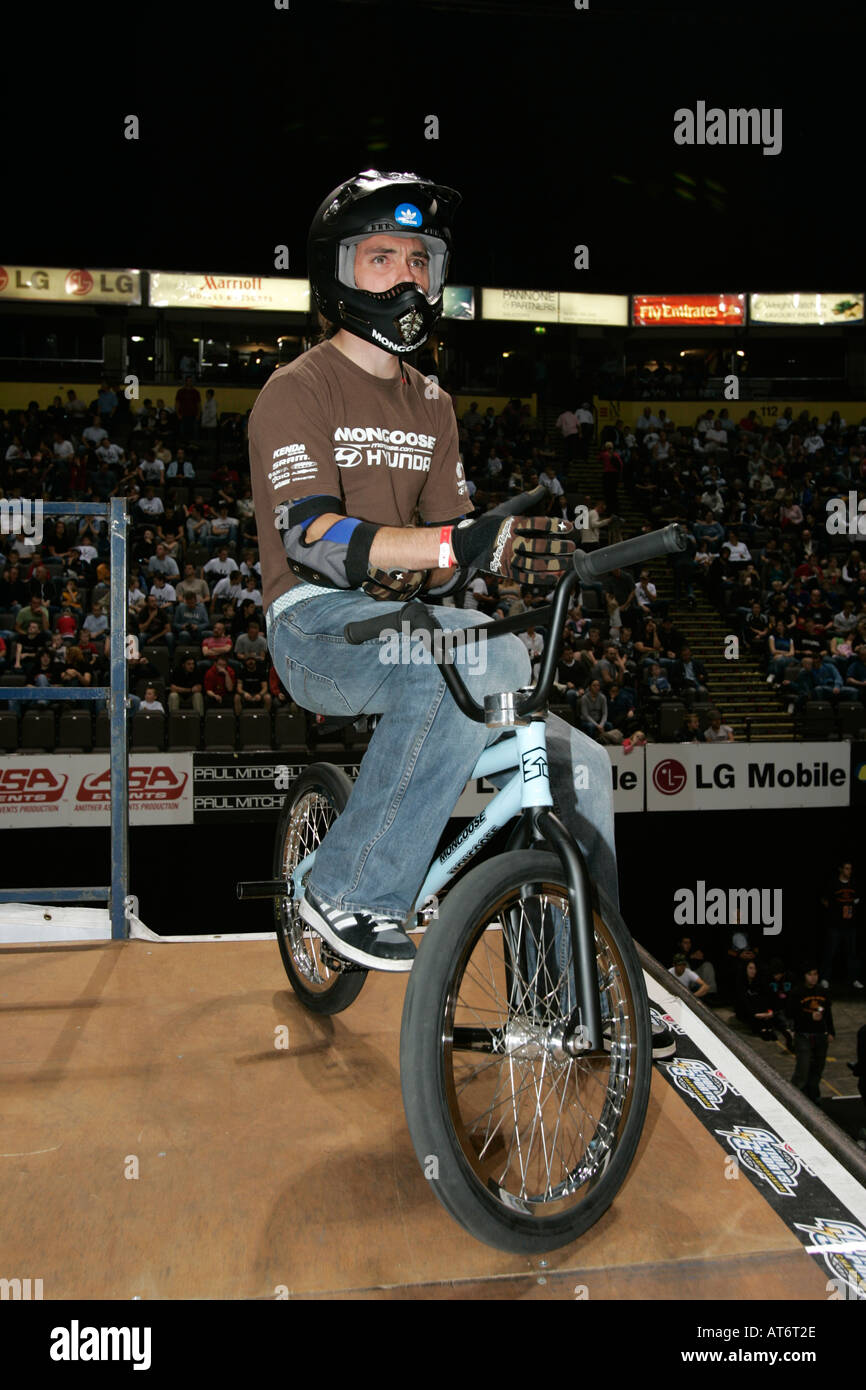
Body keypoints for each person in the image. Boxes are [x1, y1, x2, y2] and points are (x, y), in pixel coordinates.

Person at [247, 168, 619, 974]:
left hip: (410, 624)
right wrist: (452, 547)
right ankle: (351, 888)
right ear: (339, 273)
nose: (407, 277)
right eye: (383, 258)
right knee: (473, 657)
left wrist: (502, 554)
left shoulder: (434, 404)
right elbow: (311, 536)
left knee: (579, 762)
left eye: (420, 260)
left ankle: (580, 977)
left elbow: (448, 567)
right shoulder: (295, 389)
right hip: (316, 625)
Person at [789, 964, 835, 1103]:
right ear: (804, 976)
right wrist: (809, 1017)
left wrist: (831, 1032)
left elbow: (827, 1013)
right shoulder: (797, 992)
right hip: (803, 1034)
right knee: (803, 1068)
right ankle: (794, 1096)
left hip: (820, 1034)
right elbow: (790, 1012)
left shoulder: (822, 992)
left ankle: (813, 1094)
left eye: (815, 974)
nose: (813, 977)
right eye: (810, 974)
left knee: (818, 1067)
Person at [819, 861, 863, 990]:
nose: (849, 871)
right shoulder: (833, 884)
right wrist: (833, 911)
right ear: (841, 869)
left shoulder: (854, 884)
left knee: (852, 954)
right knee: (830, 952)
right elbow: (824, 899)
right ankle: (824, 978)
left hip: (850, 925)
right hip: (835, 925)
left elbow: (858, 899)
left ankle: (853, 979)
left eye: (850, 869)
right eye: (847, 868)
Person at [735, 959, 776, 1040]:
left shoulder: (760, 981)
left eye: (755, 969)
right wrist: (755, 1014)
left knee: (760, 1001)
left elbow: (766, 998)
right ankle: (763, 1029)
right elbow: (743, 1001)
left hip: (759, 1009)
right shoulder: (740, 982)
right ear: (745, 969)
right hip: (745, 1009)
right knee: (752, 1004)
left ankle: (767, 1028)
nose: (753, 971)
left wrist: (769, 1011)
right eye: (750, 968)